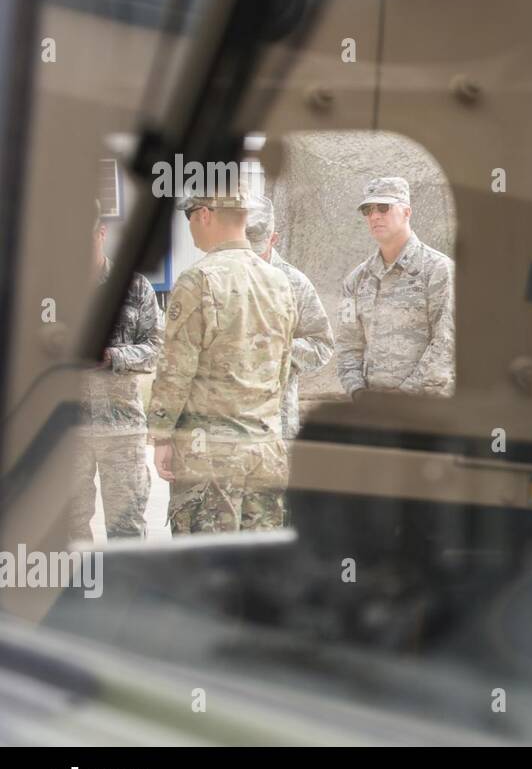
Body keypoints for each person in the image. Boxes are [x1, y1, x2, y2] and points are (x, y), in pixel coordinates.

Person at [148, 187, 297, 534]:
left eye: (189, 217)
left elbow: (175, 368)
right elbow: (283, 367)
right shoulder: (278, 282)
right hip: (266, 451)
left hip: (210, 457)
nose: (189, 226)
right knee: (258, 568)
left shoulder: (198, 280)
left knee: (205, 568)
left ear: (204, 215)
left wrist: (160, 435)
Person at [64, 207, 164, 544]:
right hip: (68, 430)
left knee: (127, 529)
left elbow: (156, 348)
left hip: (122, 432)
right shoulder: (51, 289)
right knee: (69, 530)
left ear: (101, 233)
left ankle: (129, 596)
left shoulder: (134, 287)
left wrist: (114, 357)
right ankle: (77, 593)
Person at [335, 176, 455, 398]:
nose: (374, 216)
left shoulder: (439, 270)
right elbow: (347, 346)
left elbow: (447, 342)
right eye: (368, 210)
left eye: (383, 207)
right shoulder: (355, 281)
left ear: (407, 212)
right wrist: (358, 392)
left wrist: (404, 396)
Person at [244, 193, 334, 439]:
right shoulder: (219, 277)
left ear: (273, 239)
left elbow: (322, 346)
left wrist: (279, 346)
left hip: (276, 424)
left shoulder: (295, 283)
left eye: (257, 250)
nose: (250, 258)